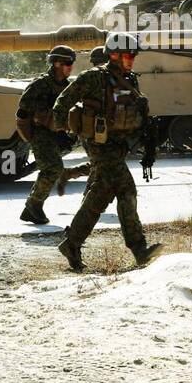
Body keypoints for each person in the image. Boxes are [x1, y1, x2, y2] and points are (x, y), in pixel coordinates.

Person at [51, 34, 161, 272]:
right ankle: (139, 249)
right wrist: (61, 132)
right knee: (127, 190)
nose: (132, 60)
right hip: (100, 146)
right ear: (114, 55)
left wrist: (144, 144)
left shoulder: (130, 80)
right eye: (128, 55)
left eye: (134, 55)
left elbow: (134, 117)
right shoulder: (93, 78)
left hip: (118, 146)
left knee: (99, 197)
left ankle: (72, 244)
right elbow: (63, 101)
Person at [15, 45, 77, 225]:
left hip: (57, 133)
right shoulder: (39, 85)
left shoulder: (67, 87)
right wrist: (30, 136)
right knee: (53, 168)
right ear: (56, 63)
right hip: (40, 133)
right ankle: (33, 205)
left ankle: (32, 207)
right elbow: (22, 113)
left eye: (71, 63)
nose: (70, 67)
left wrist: (66, 132)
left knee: (52, 168)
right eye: (67, 63)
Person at [55, 46, 107, 196]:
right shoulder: (89, 78)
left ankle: (69, 174)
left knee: (102, 165)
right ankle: (88, 199)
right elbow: (64, 101)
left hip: (108, 129)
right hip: (91, 130)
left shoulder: (114, 78)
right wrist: (61, 130)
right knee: (103, 166)